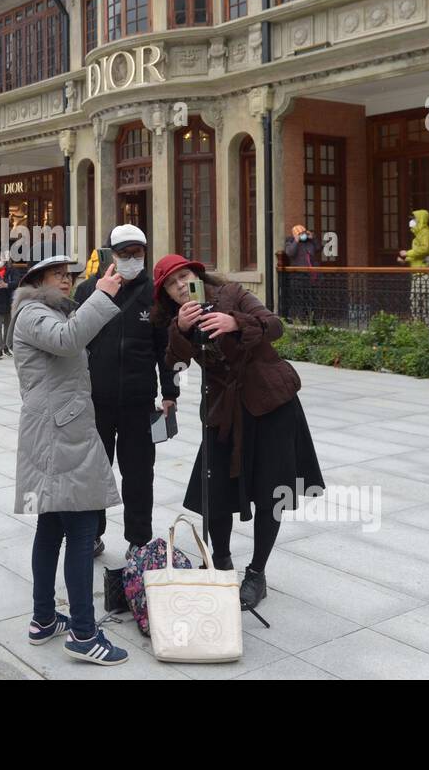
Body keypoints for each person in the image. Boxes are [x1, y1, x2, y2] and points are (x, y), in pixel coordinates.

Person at [153, 253, 324, 611]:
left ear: (197, 275)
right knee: (214, 492)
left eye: (184, 276)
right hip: (224, 410)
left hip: (270, 403)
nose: (181, 286)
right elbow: (174, 361)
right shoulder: (178, 320)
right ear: (166, 295)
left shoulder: (232, 294)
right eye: (171, 284)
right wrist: (181, 329)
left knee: (271, 492)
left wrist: (234, 321)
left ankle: (257, 574)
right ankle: (221, 562)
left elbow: (274, 326)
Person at [12, 254, 129, 665]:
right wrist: (102, 296)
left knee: (51, 527)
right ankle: (83, 633)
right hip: (58, 435)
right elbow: (68, 340)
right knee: (81, 530)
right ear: (37, 281)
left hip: (61, 430)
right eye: (57, 275)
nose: (66, 280)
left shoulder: (51, 312)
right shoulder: (33, 313)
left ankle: (44, 619)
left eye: (69, 275)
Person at [74, 225, 179, 558]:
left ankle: (138, 539)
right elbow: (74, 342)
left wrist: (170, 393)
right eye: (124, 254)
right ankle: (92, 534)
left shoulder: (155, 294)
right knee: (94, 472)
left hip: (139, 401)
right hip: (96, 402)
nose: (132, 259)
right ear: (112, 255)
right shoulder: (89, 290)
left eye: (137, 253)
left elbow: (166, 349)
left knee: (138, 475)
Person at [398, 209, 429, 324]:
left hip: (424, 271)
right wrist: (405, 259)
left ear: (420, 219)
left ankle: (427, 323)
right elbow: (418, 255)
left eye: (414, 218)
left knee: (424, 299)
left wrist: (407, 253)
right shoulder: (418, 234)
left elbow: (425, 249)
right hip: (417, 271)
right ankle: (418, 322)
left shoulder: (426, 233)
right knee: (415, 299)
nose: (412, 221)